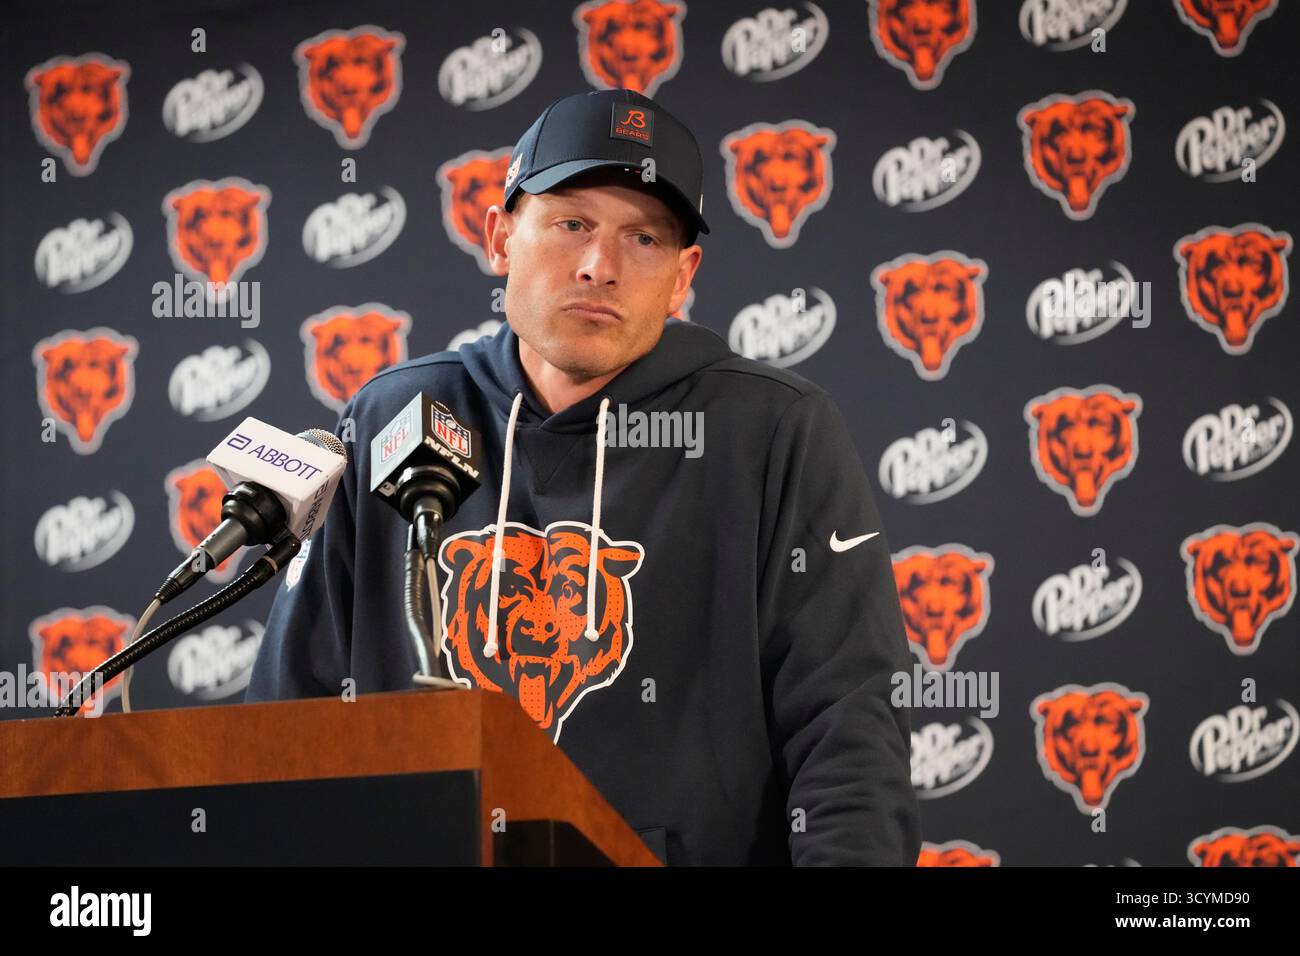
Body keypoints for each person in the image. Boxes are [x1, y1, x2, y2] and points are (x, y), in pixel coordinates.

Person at [246, 88, 921, 866]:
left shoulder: (773, 431)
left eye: (644, 238)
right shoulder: (393, 419)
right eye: (572, 223)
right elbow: (289, 721)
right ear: (500, 237)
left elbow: (849, 727)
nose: (601, 266)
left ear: (682, 275)